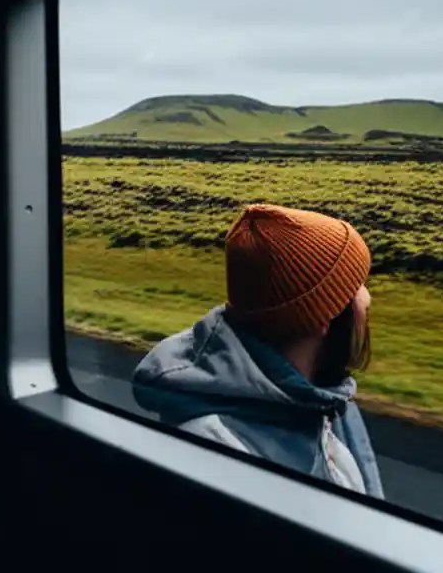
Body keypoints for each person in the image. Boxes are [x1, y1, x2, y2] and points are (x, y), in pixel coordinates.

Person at [132, 204, 383, 498]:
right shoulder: (216, 451)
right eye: (354, 286)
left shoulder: (330, 399)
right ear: (322, 317)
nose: (367, 297)